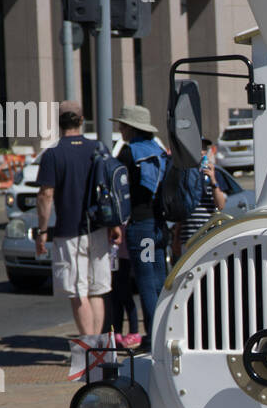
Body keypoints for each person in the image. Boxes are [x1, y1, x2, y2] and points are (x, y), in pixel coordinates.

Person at [34, 100, 124, 336]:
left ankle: (90, 345)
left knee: (78, 291)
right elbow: (110, 188)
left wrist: (42, 231)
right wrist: (114, 223)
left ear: (59, 123)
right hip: (99, 227)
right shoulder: (98, 148)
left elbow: (46, 194)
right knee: (97, 291)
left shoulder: (53, 154)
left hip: (70, 231)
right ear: (82, 121)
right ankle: (100, 349)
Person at [112, 105, 168, 341]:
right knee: (160, 282)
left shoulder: (128, 153)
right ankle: (164, 331)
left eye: (122, 125)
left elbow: (117, 188)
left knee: (145, 282)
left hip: (141, 227)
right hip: (159, 226)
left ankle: (154, 337)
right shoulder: (158, 150)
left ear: (131, 128)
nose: (120, 129)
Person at [171, 137, 236, 258]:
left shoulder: (213, 172)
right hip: (188, 236)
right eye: (198, 147)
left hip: (208, 235)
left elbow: (221, 205)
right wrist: (176, 237)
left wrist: (213, 180)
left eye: (204, 148)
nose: (201, 151)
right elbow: (180, 208)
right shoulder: (184, 173)